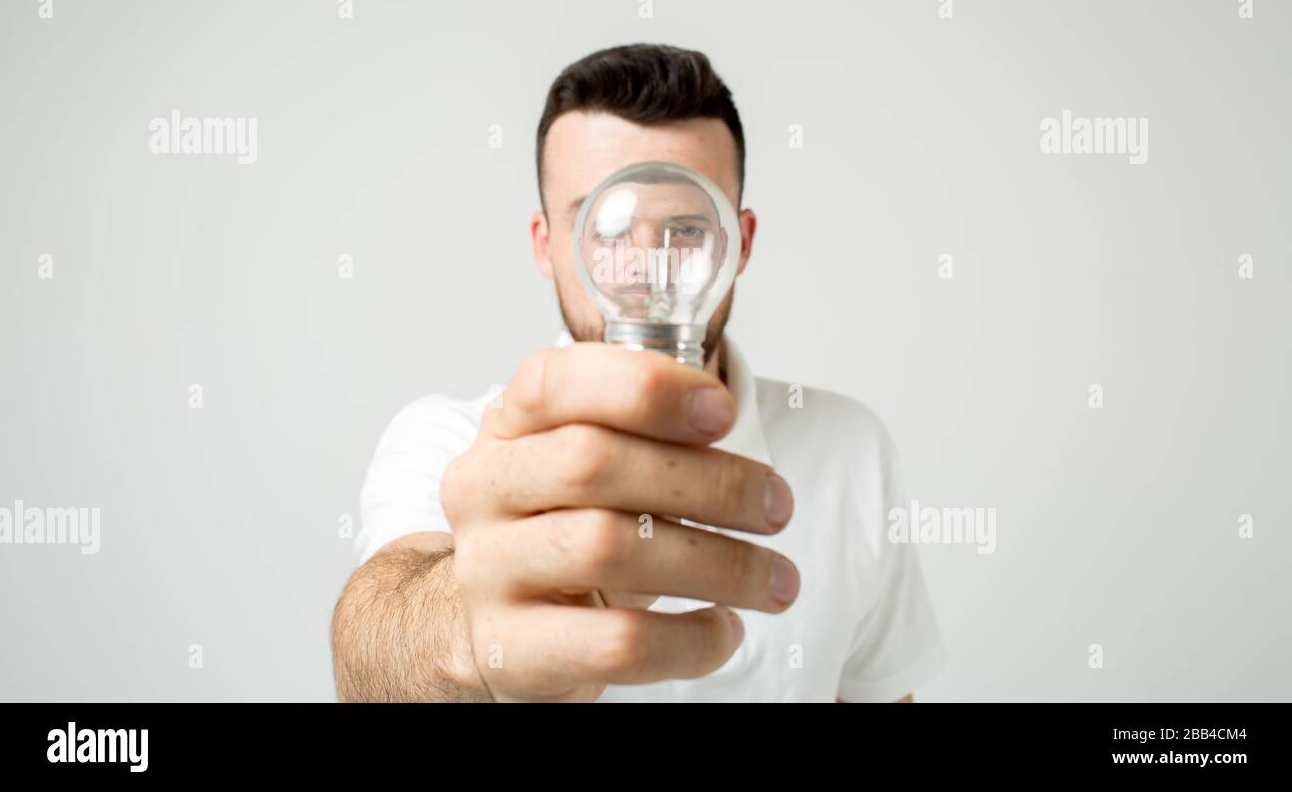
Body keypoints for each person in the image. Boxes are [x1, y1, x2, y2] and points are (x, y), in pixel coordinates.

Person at [331, 44, 946, 702]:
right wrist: (466, 634)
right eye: (608, 229)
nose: (646, 271)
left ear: (738, 244)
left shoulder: (850, 448)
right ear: (548, 245)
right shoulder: (450, 442)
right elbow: (380, 660)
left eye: (684, 229)